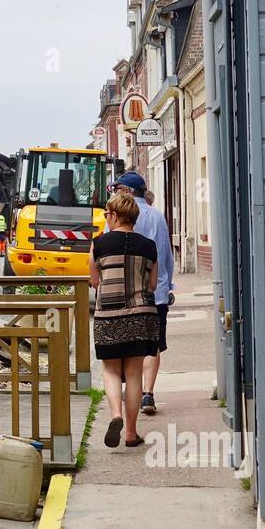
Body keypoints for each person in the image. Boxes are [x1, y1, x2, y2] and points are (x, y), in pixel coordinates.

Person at [90, 191, 159, 448]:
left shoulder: (99, 244)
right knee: (134, 374)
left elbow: (94, 281)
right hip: (142, 317)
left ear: (115, 215)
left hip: (108, 316)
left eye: (107, 214)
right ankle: (131, 433)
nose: (106, 219)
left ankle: (115, 415)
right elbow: (153, 283)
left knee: (110, 369)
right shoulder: (148, 246)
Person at [114, 172, 174, 414]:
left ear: (128, 191)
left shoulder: (119, 216)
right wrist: (168, 286)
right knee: (153, 345)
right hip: (155, 293)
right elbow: (166, 254)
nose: (114, 193)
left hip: (124, 292)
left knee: (125, 342)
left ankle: (128, 390)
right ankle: (147, 394)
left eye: (117, 188)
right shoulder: (157, 216)